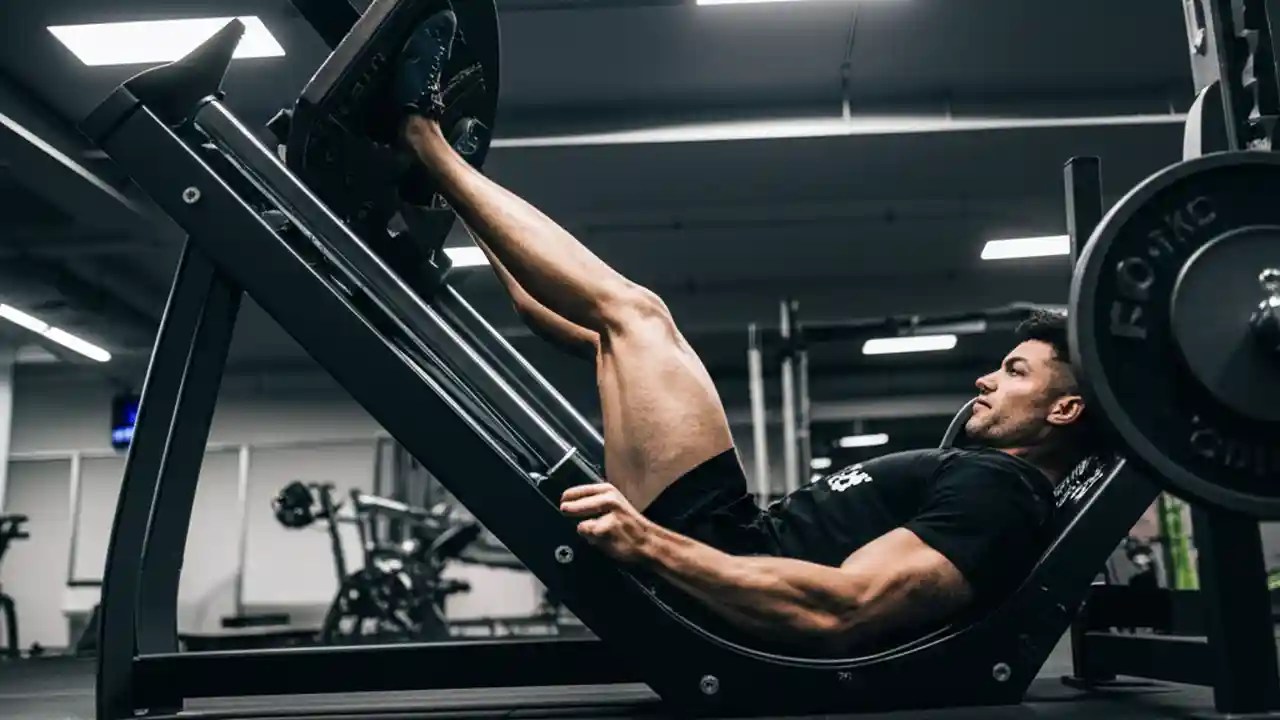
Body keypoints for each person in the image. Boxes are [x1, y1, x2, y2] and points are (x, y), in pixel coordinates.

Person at [388, 11, 1089, 654]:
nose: (986, 379)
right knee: (607, 336)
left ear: (1066, 410)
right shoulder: (991, 482)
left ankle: (423, 138)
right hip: (726, 543)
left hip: (719, 552)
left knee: (637, 317)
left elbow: (846, 610)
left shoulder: (1004, 496)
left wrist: (649, 543)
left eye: (1018, 372)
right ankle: (455, 185)